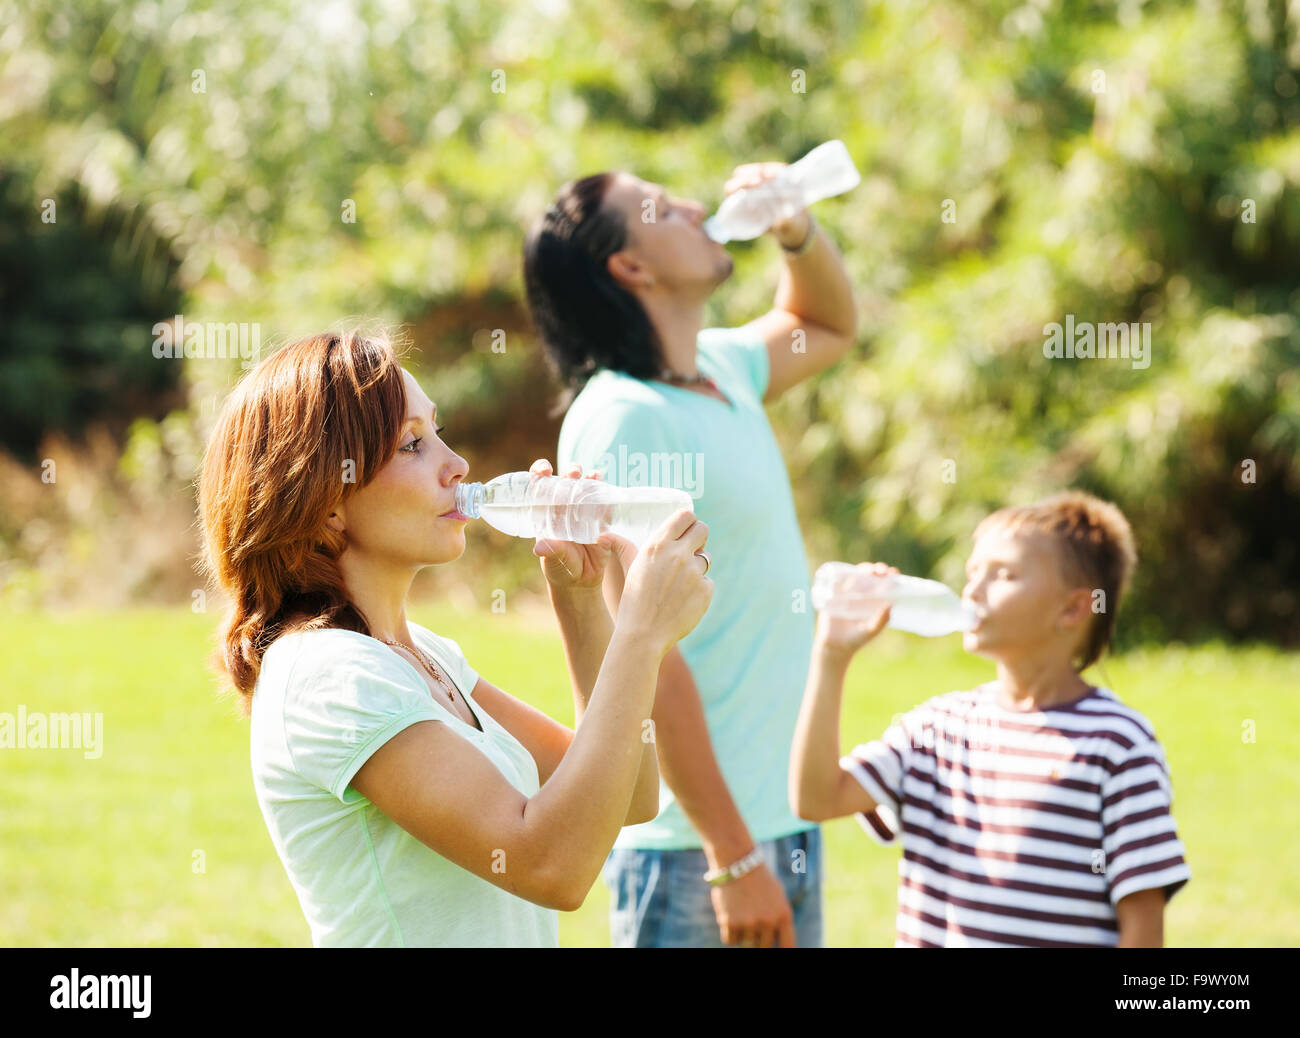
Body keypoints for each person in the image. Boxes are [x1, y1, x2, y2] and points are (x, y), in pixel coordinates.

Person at [196, 329, 712, 947]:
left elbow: (630, 796)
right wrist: (640, 633)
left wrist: (580, 604)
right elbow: (552, 866)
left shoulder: (422, 654)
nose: (457, 465)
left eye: (437, 431)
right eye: (413, 444)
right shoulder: (327, 674)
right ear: (327, 502)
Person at [523, 163, 857, 947]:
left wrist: (795, 229)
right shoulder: (623, 419)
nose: (697, 206)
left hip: (777, 821)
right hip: (697, 854)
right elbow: (648, 649)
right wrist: (732, 857)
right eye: (664, 208)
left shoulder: (720, 369)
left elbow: (830, 323)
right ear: (630, 267)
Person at [790, 491, 1192, 947]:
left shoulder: (1117, 745)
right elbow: (816, 799)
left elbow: (1142, 925)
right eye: (972, 572)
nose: (974, 590)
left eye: (1004, 574)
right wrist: (831, 656)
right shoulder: (935, 729)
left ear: (1074, 608)